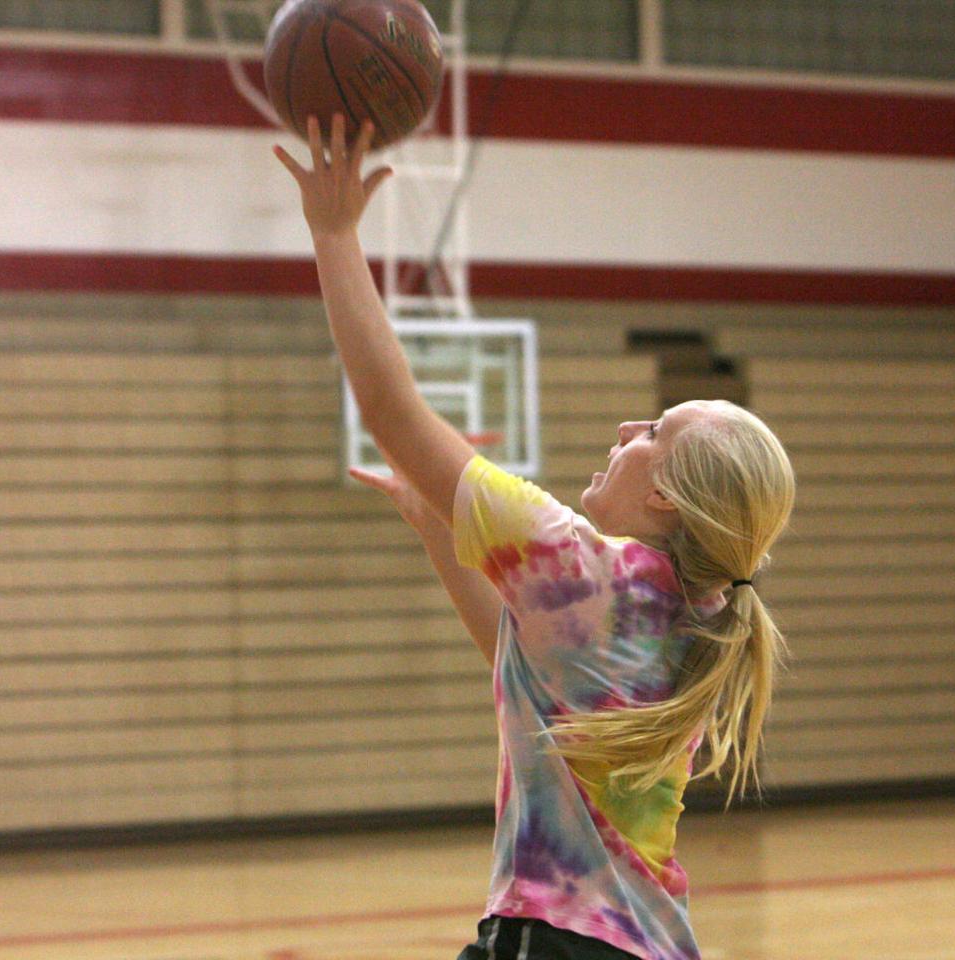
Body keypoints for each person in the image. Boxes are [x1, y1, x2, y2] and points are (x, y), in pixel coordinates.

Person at [275, 114, 796, 960]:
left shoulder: (575, 562)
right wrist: (435, 525)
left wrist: (334, 233)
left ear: (666, 493)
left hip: (555, 942)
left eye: (654, 431)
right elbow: (516, 656)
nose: (629, 426)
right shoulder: (697, 616)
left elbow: (387, 406)